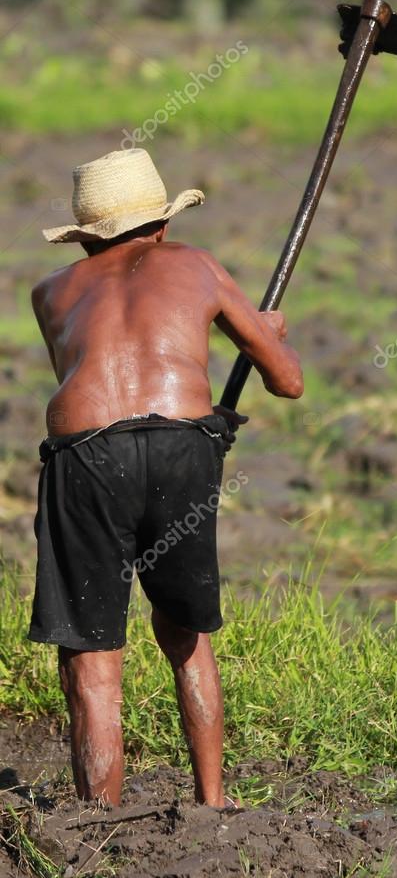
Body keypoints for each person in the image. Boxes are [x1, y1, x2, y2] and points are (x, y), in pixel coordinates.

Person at [29, 148, 303, 807]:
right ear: (162, 224)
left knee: (92, 658)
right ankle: (213, 800)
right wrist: (267, 333)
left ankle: (100, 827)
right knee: (185, 633)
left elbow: (88, 375)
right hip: (183, 448)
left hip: (88, 456)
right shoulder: (196, 265)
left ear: (87, 236)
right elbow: (287, 380)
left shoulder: (50, 291)